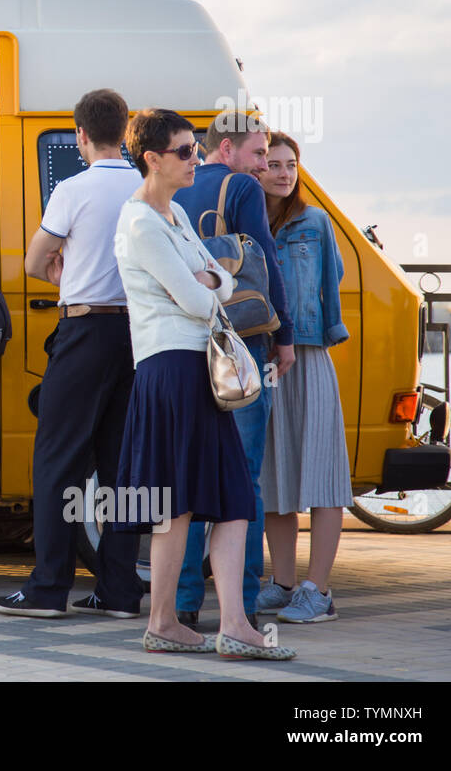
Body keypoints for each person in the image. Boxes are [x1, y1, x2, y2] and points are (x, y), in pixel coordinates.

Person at [113, 108, 295, 659]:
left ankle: (169, 621)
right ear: (153, 159)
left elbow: (224, 273)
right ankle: (224, 626)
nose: (197, 158)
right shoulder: (143, 221)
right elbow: (197, 297)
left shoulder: (171, 216)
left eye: (196, 148)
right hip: (176, 369)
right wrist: (211, 282)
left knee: (197, 501)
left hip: (186, 367)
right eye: (185, 151)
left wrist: (211, 280)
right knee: (221, 498)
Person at [0, 88, 144, 619]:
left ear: (81, 134)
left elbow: (35, 260)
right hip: (137, 337)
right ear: (125, 133)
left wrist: (64, 270)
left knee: (57, 462)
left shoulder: (72, 188)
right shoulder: (147, 188)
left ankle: (48, 589)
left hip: (83, 332)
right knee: (122, 467)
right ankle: (120, 592)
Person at [172, 110, 295, 628]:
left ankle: (182, 604)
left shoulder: (173, 191)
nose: (265, 166)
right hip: (239, 346)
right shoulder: (241, 190)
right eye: (259, 153)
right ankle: (240, 605)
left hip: (184, 345)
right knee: (242, 477)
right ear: (228, 151)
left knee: (187, 478)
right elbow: (265, 260)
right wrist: (283, 335)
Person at [255, 132, 352, 623]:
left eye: (291, 164)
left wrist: (327, 331)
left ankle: (319, 589)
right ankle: (284, 582)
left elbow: (329, 281)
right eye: (273, 163)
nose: (284, 172)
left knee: (322, 474)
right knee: (275, 474)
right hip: (265, 359)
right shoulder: (248, 220)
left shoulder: (315, 221)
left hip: (308, 355)